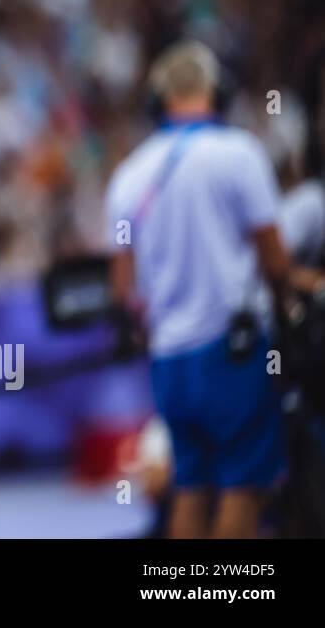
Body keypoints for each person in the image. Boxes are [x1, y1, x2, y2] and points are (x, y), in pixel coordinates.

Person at [105, 41, 313, 538]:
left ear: (157, 103)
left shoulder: (129, 175)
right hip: (231, 351)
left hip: (169, 361)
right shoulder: (238, 154)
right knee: (244, 487)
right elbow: (276, 264)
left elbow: (121, 288)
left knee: (192, 487)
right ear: (216, 94)